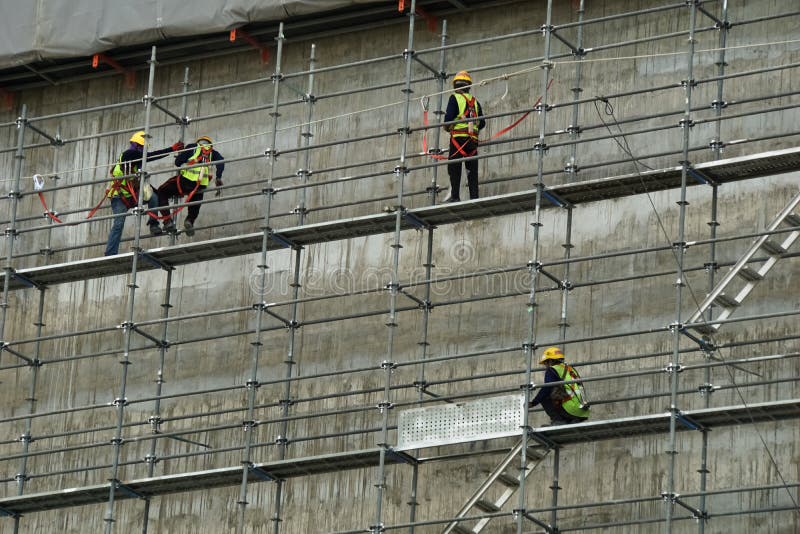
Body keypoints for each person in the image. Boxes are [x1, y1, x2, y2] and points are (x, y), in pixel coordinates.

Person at [104, 131, 183, 256]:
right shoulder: (128, 154)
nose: (142, 151)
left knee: (154, 197)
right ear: (136, 145)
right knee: (118, 224)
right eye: (141, 148)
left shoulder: (136, 162)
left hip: (132, 194)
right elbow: (150, 156)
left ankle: (154, 223)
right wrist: (171, 149)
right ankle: (110, 253)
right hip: (119, 197)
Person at [156, 135, 225, 237]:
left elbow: (177, 162)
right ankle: (189, 221)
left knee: (162, 191)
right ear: (209, 144)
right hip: (200, 186)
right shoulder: (212, 153)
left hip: (185, 182)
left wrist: (183, 157)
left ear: (199, 142)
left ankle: (167, 221)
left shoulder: (193, 147)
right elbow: (221, 162)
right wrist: (218, 177)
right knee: (195, 205)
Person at [442, 70, 485, 202]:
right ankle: (474, 197)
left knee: (454, 167)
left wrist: (449, 126)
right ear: (468, 86)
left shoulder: (454, 98)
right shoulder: (475, 102)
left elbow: (448, 119)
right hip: (472, 140)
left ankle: (455, 197)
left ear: (455, 86)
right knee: (471, 169)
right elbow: (482, 123)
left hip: (458, 139)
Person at [529, 346, 590, 425]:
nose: (545, 366)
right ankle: (568, 419)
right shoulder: (570, 369)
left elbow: (546, 389)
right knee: (557, 392)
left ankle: (558, 420)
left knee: (544, 397)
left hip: (570, 410)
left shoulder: (552, 370)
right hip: (582, 411)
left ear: (550, 361)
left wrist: (534, 403)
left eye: (545, 363)